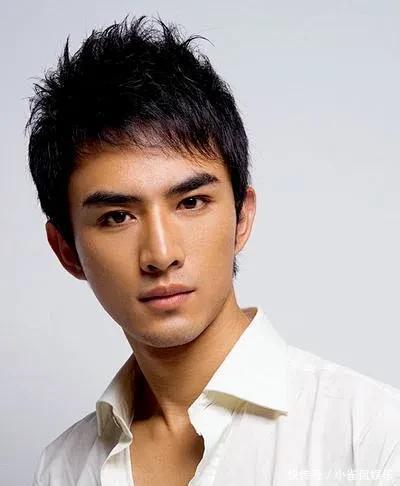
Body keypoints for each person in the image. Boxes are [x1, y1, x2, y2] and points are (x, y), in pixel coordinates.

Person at [26, 14, 400, 486]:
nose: (161, 254)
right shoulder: (62, 468)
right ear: (66, 251)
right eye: (117, 216)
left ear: (242, 218)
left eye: (191, 202)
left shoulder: (370, 437)